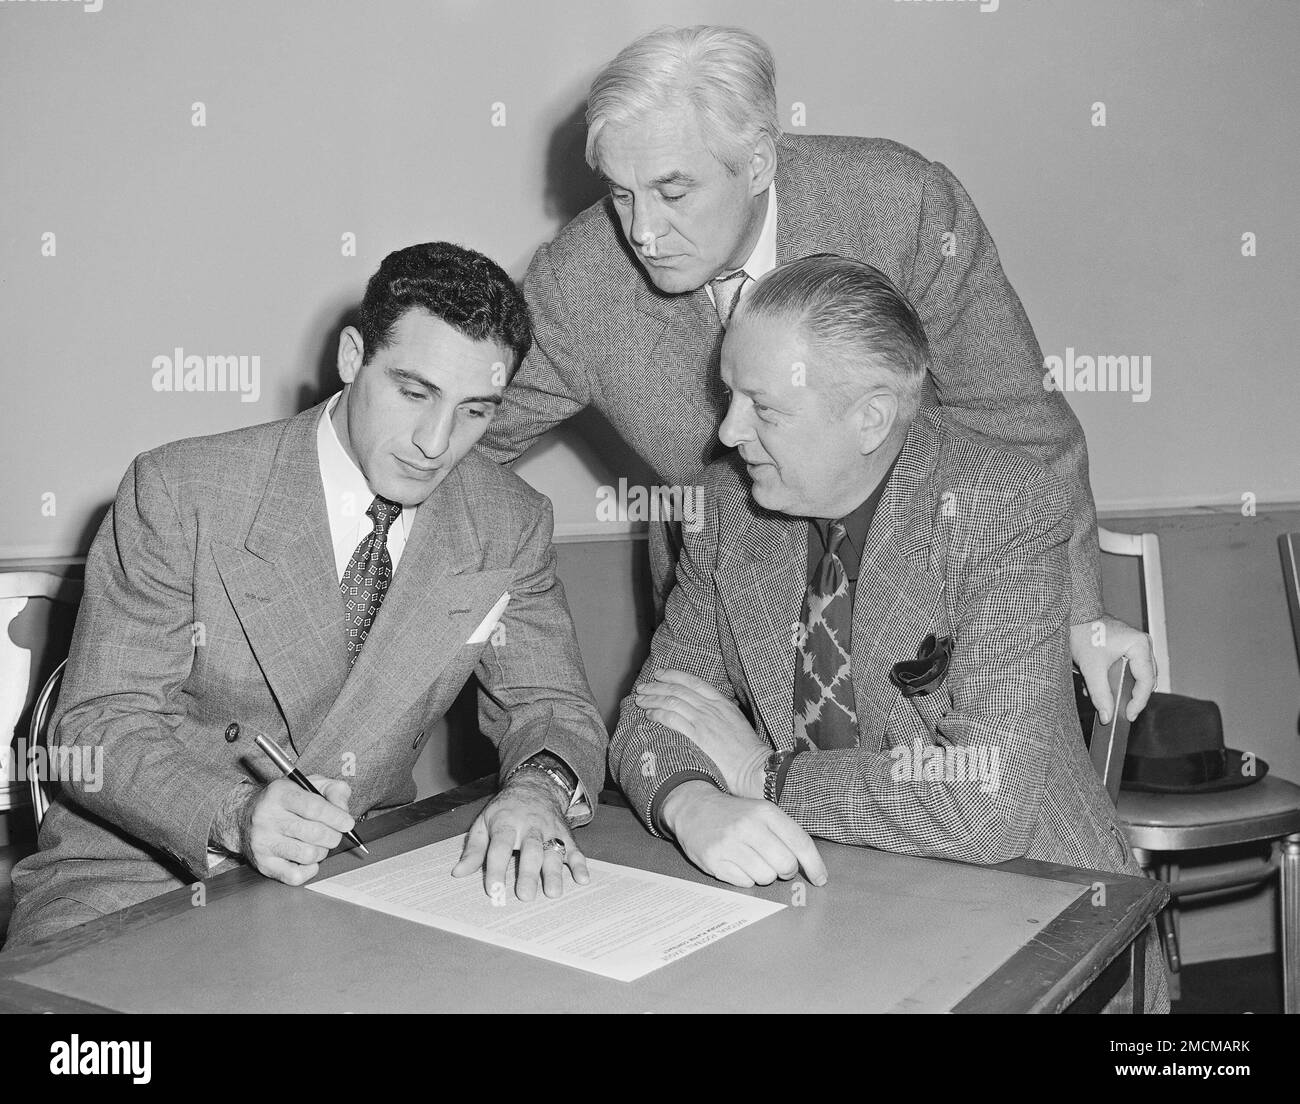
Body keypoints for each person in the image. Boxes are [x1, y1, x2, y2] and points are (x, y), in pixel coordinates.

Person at [480, 23, 1154, 729]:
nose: (643, 231)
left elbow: (1016, 418)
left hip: (929, 640)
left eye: (673, 193)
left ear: (759, 162)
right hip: (725, 635)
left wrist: (1082, 613)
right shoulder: (581, 281)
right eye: (620, 194)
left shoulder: (903, 207)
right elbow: (451, 433)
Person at [4, 242, 607, 949]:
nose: (436, 443)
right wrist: (234, 814)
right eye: (414, 393)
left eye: (476, 411)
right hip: (139, 875)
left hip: (358, 871)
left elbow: (550, 705)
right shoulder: (182, 492)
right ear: (353, 358)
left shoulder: (509, 521)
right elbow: (97, 727)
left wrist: (536, 790)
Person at [607, 255, 1168, 1010]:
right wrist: (688, 802)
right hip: (828, 907)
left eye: (762, 409)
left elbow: (985, 802)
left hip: (1032, 907)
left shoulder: (1001, 505)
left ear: (869, 417)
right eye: (729, 395)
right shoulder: (723, 507)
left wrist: (764, 779)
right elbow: (652, 715)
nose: (728, 431)